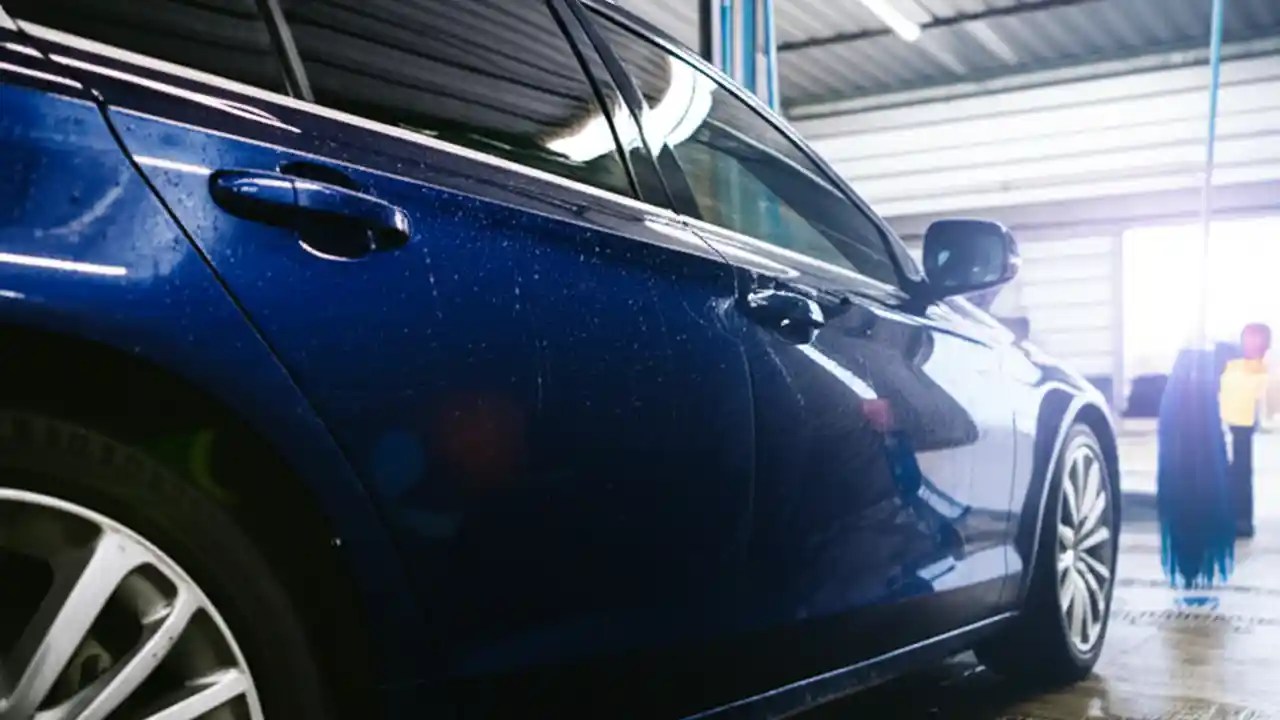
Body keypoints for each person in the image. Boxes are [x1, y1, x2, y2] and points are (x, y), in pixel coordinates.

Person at [1219, 323, 1272, 538]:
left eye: (1257, 339)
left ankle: (1241, 520)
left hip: (1244, 425)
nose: (1251, 343)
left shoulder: (1265, 369)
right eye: (1248, 338)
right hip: (1228, 423)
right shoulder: (1233, 366)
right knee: (1232, 473)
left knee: (1241, 473)